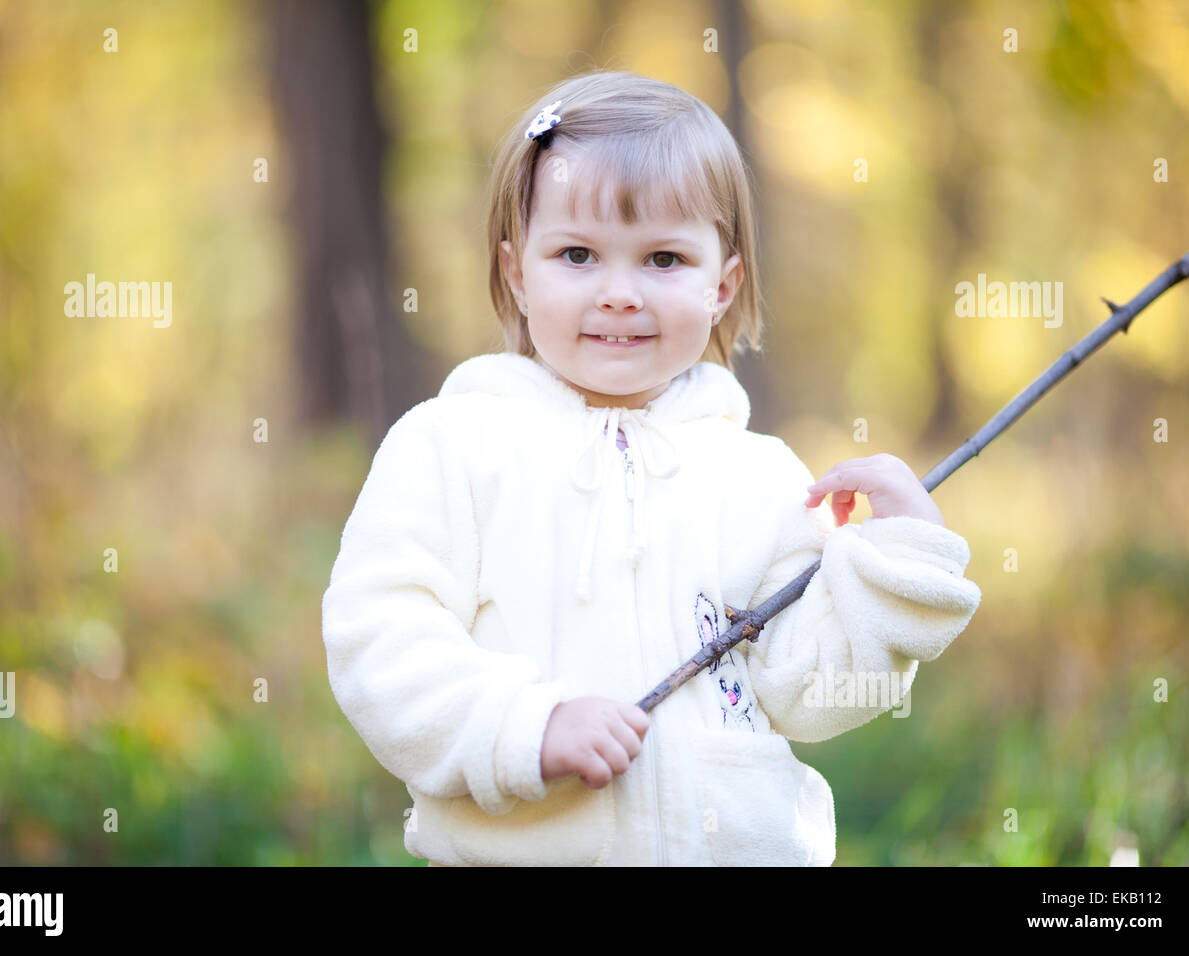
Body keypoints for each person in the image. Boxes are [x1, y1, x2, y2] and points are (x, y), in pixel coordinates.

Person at [321, 70, 982, 866]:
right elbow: (380, 643)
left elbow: (811, 691)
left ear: (721, 285)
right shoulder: (453, 448)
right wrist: (523, 727)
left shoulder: (758, 476)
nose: (621, 293)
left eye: (664, 259)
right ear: (516, 274)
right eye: (577, 255)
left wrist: (899, 561)